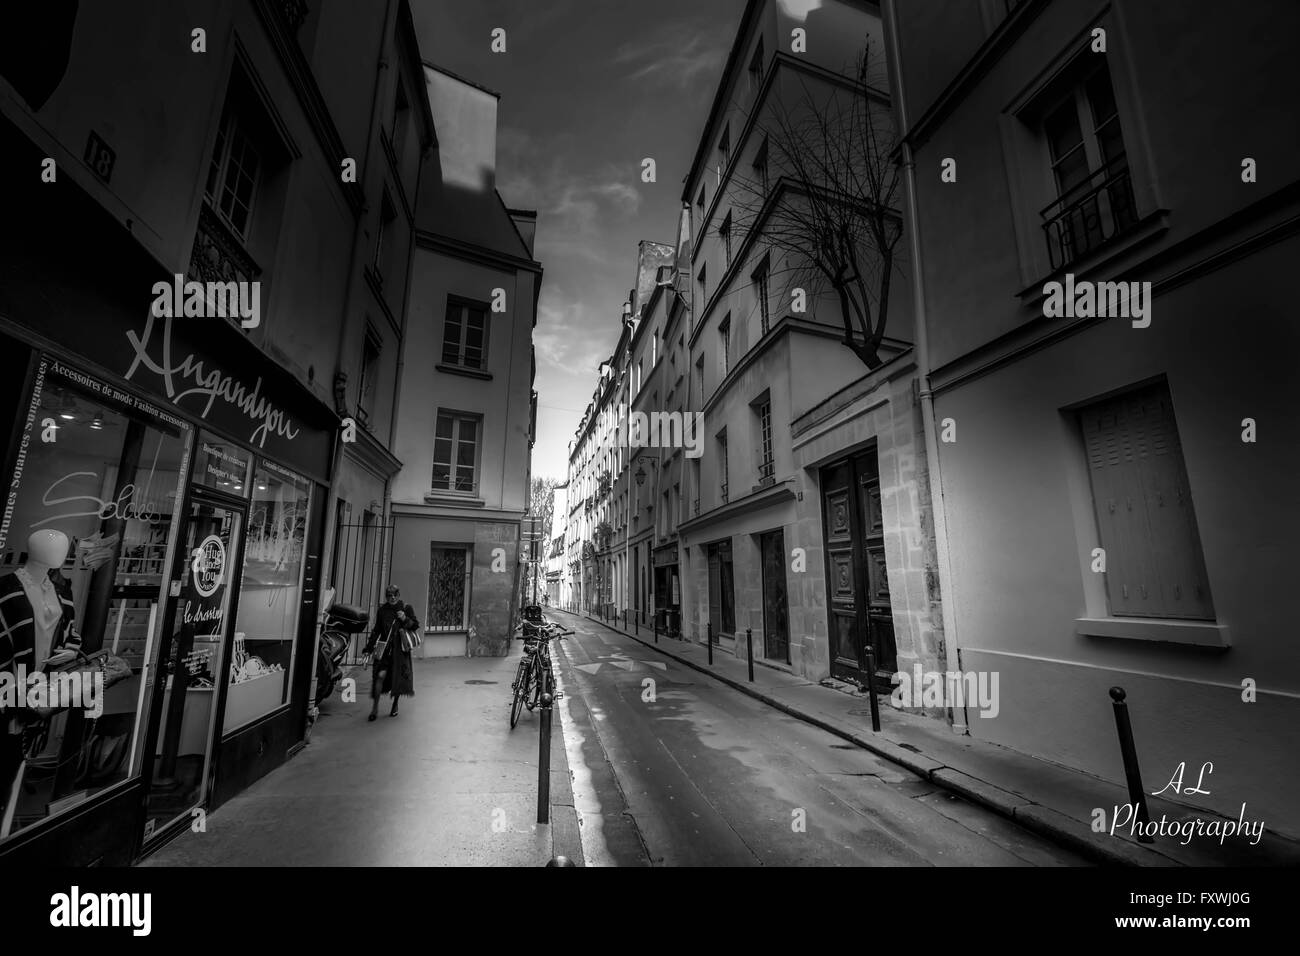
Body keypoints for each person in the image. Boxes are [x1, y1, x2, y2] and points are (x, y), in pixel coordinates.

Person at [362, 585, 420, 721]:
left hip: (400, 651)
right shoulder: (382, 610)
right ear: (386, 597)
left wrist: (405, 618)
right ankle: (374, 708)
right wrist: (368, 649)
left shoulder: (406, 608)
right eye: (389, 595)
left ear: (398, 595)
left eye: (394, 594)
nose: (392, 597)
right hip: (384, 650)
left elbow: (415, 625)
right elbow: (376, 630)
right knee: (380, 676)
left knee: (397, 679)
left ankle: (395, 704)